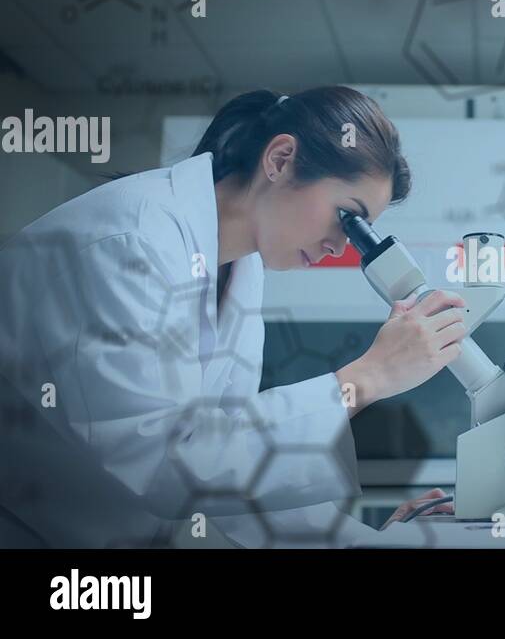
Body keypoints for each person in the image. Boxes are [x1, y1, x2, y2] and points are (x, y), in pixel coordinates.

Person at [0, 87, 462, 548]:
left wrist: (371, 542)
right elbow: (167, 466)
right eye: (348, 217)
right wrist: (366, 377)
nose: (341, 246)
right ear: (280, 159)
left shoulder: (239, 267)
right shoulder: (132, 240)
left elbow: (230, 466)